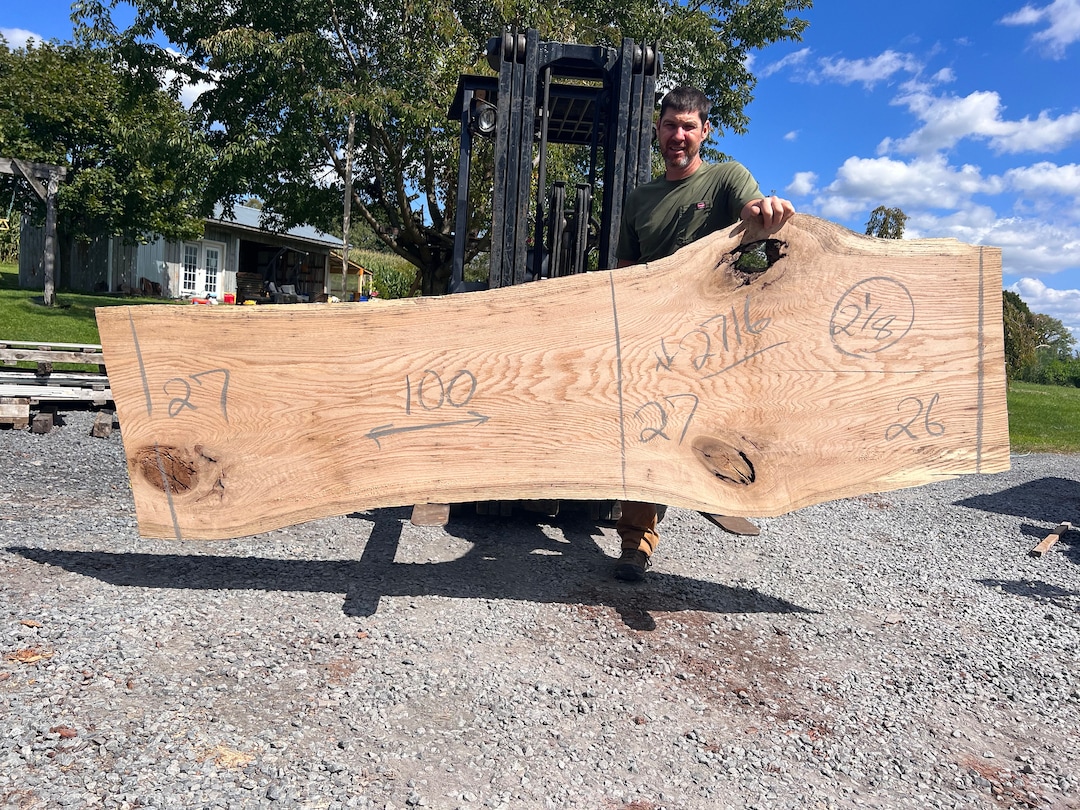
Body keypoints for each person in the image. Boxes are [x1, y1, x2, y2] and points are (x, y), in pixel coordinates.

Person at [611, 85, 796, 582]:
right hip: (656, 334)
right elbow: (626, 272)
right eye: (670, 125)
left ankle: (713, 488)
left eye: (689, 126)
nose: (678, 135)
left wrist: (765, 215)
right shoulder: (639, 199)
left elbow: (753, 212)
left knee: (712, 425)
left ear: (704, 132)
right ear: (658, 130)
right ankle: (636, 541)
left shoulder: (724, 179)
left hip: (716, 337)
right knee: (647, 428)